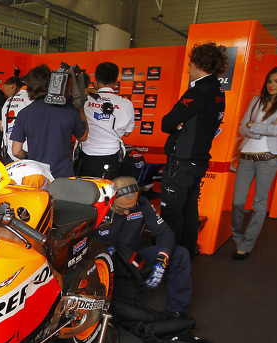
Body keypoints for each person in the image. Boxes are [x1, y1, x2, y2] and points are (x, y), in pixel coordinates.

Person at [160, 41, 227, 255]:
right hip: (198, 160)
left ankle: (167, 259)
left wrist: (179, 124)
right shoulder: (218, 90)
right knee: (189, 211)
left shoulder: (199, 91)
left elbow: (167, 123)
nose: (188, 68)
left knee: (171, 212)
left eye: (190, 64)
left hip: (182, 162)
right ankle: (184, 255)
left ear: (199, 64)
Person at [96, 176, 192, 317]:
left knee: (180, 254)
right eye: (122, 209)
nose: (127, 212)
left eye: (131, 208)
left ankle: (177, 312)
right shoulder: (97, 208)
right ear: (111, 199)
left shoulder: (142, 204)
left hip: (132, 255)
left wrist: (162, 260)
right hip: (105, 260)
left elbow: (165, 233)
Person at [230, 66, 277, 260]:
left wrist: (254, 126)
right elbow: (243, 128)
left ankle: (246, 245)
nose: (272, 85)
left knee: (259, 204)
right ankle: (238, 238)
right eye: (269, 81)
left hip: (268, 160)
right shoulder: (256, 100)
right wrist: (261, 128)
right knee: (238, 203)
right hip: (246, 158)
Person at [10, 64, 88, 178]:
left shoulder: (24, 113)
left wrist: (29, 156)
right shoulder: (70, 110)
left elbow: (16, 151)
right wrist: (81, 109)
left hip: (38, 176)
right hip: (64, 176)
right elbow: (83, 137)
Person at [75, 62, 135, 179]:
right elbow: (127, 133)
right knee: (108, 195)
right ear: (115, 84)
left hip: (85, 157)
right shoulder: (126, 104)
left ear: (95, 81)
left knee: (83, 194)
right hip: (111, 158)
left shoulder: (84, 101)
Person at [1, 82, 32, 163]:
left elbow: (2, 126)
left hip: (8, 150)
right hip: (24, 152)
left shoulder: (8, 100)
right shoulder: (31, 100)